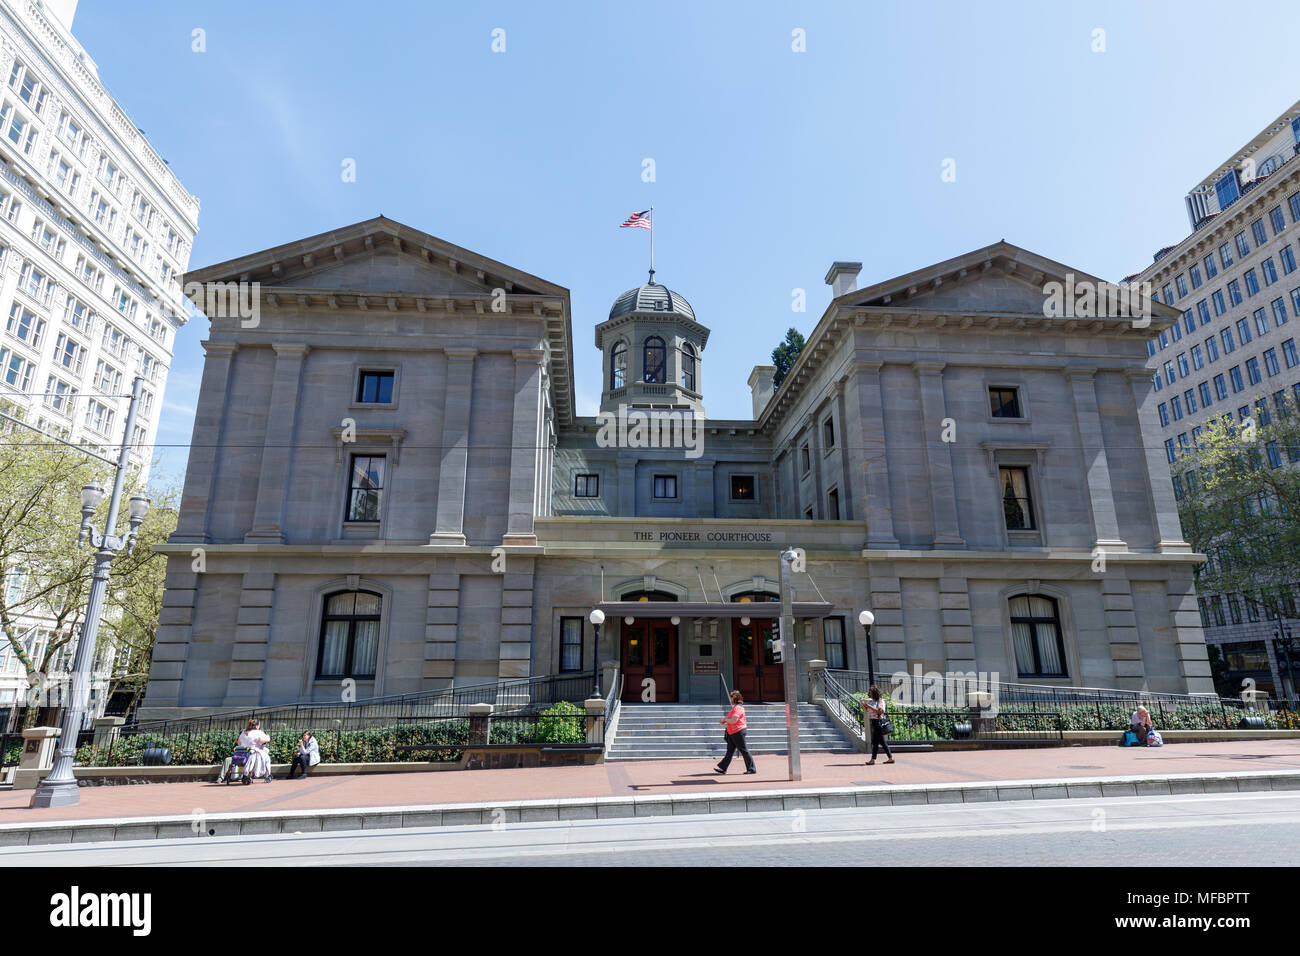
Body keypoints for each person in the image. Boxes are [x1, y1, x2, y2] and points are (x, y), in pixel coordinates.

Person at [715, 690, 756, 774]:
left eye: (731, 697)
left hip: (738, 732)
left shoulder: (738, 708)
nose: (730, 699)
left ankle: (751, 768)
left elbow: (734, 720)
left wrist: (725, 720)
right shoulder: (735, 707)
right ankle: (723, 768)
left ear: (734, 698)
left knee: (743, 750)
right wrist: (725, 721)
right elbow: (732, 720)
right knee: (729, 751)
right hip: (733, 732)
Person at [864, 684, 894, 765]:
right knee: (882, 742)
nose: (869, 694)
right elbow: (871, 711)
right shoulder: (873, 701)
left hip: (878, 723)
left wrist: (869, 707)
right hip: (874, 723)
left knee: (875, 742)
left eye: (870, 692)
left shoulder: (880, 701)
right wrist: (866, 707)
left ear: (874, 693)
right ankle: (890, 758)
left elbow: (880, 711)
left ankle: (873, 760)